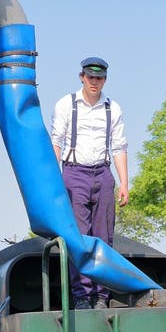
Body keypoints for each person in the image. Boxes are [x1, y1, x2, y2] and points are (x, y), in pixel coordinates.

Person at [51, 57, 129, 309]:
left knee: (104, 237)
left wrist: (124, 183)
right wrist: (54, 178)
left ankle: (101, 296)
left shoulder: (112, 108)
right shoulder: (66, 104)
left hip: (103, 174)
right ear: (82, 77)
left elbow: (119, 146)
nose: (94, 82)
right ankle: (82, 295)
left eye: (99, 78)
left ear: (105, 79)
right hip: (74, 173)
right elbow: (56, 141)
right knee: (79, 237)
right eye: (90, 77)